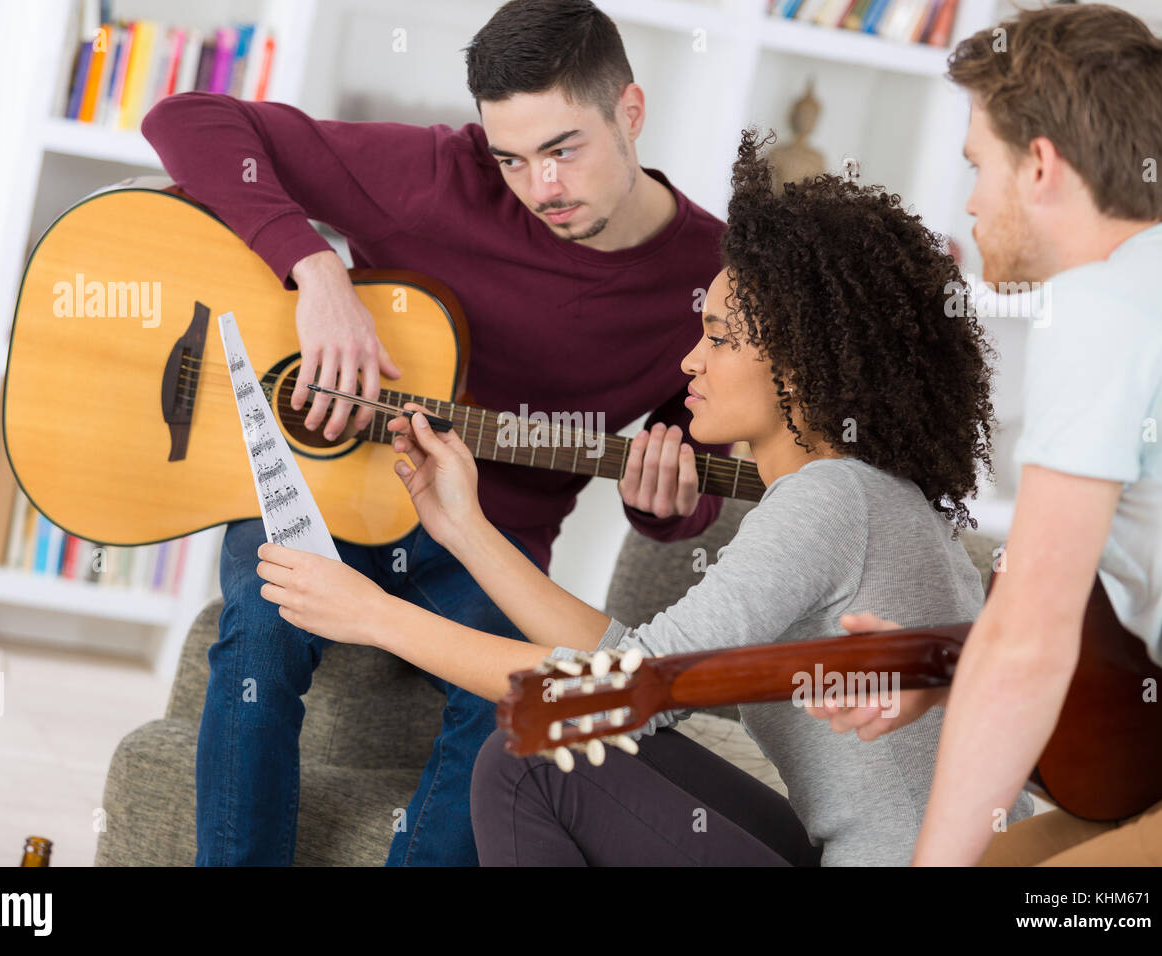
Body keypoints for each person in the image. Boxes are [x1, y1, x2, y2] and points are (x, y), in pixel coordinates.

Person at [256, 128, 1033, 865]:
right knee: (554, 735)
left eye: (721, 338)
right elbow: (643, 668)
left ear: (803, 363)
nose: (691, 361)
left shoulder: (832, 501)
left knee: (532, 748)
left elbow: (627, 692)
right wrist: (464, 528)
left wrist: (374, 616)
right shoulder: (861, 498)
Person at [141, 0, 734, 866]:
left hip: (494, 540)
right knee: (257, 642)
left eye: (564, 150)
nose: (542, 189)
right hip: (333, 490)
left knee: (512, 709)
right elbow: (186, 118)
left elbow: (691, 469)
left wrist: (665, 504)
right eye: (514, 159)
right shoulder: (435, 175)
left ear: (630, 113)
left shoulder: (709, 280)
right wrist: (315, 274)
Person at [810, 3, 1162, 866]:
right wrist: (961, 661)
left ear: (1042, 167)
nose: (971, 203)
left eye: (977, 165)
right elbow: (1097, 621)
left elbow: (1032, 642)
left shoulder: (1104, 310)